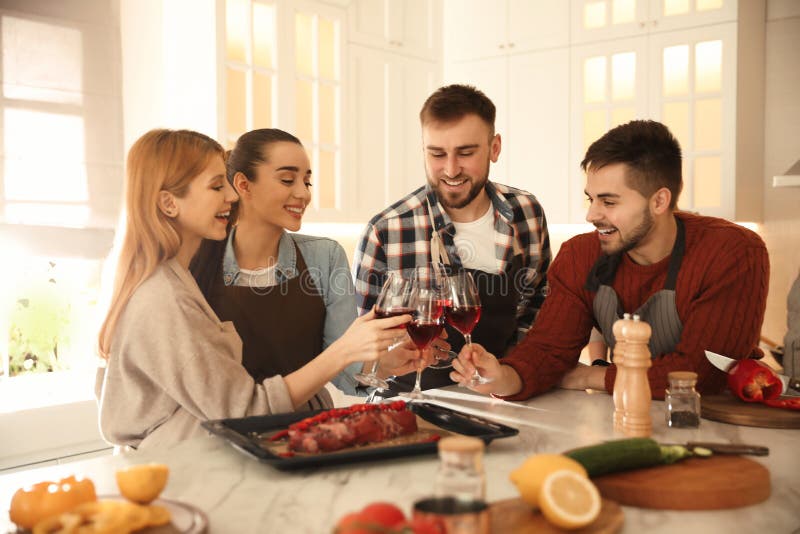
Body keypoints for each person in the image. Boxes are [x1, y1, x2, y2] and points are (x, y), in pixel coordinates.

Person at [96, 129, 409, 450]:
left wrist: (382, 362)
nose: (230, 196)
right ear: (169, 203)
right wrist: (345, 349)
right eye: (217, 186)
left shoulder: (173, 281)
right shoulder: (164, 295)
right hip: (198, 456)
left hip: (256, 444)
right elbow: (242, 409)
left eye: (307, 181)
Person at [450, 120, 770, 400]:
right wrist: (503, 377)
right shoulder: (580, 255)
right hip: (624, 413)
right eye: (591, 198)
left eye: (609, 201)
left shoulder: (733, 252)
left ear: (659, 200)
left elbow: (703, 373)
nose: (592, 214)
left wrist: (593, 376)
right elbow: (548, 350)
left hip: (715, 422)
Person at [190, 128, 425, 404]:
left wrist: (385, 363)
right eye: (287, 180)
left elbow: (345, 367)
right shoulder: (197, 260)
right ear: (243, 184)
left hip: (305, 422)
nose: (303, 193)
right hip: (225, 423)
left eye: (307, 182)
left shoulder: (324, 257)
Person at [353, 84, 551, 395]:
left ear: (494, 148)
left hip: (501, 397)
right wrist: (394, 352)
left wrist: (511, 371)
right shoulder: (386, 231)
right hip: (408, 400)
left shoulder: (526, 212)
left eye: (466, 152)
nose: (450, 169)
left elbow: (538, 305)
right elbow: (361, 354)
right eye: (437, 154)